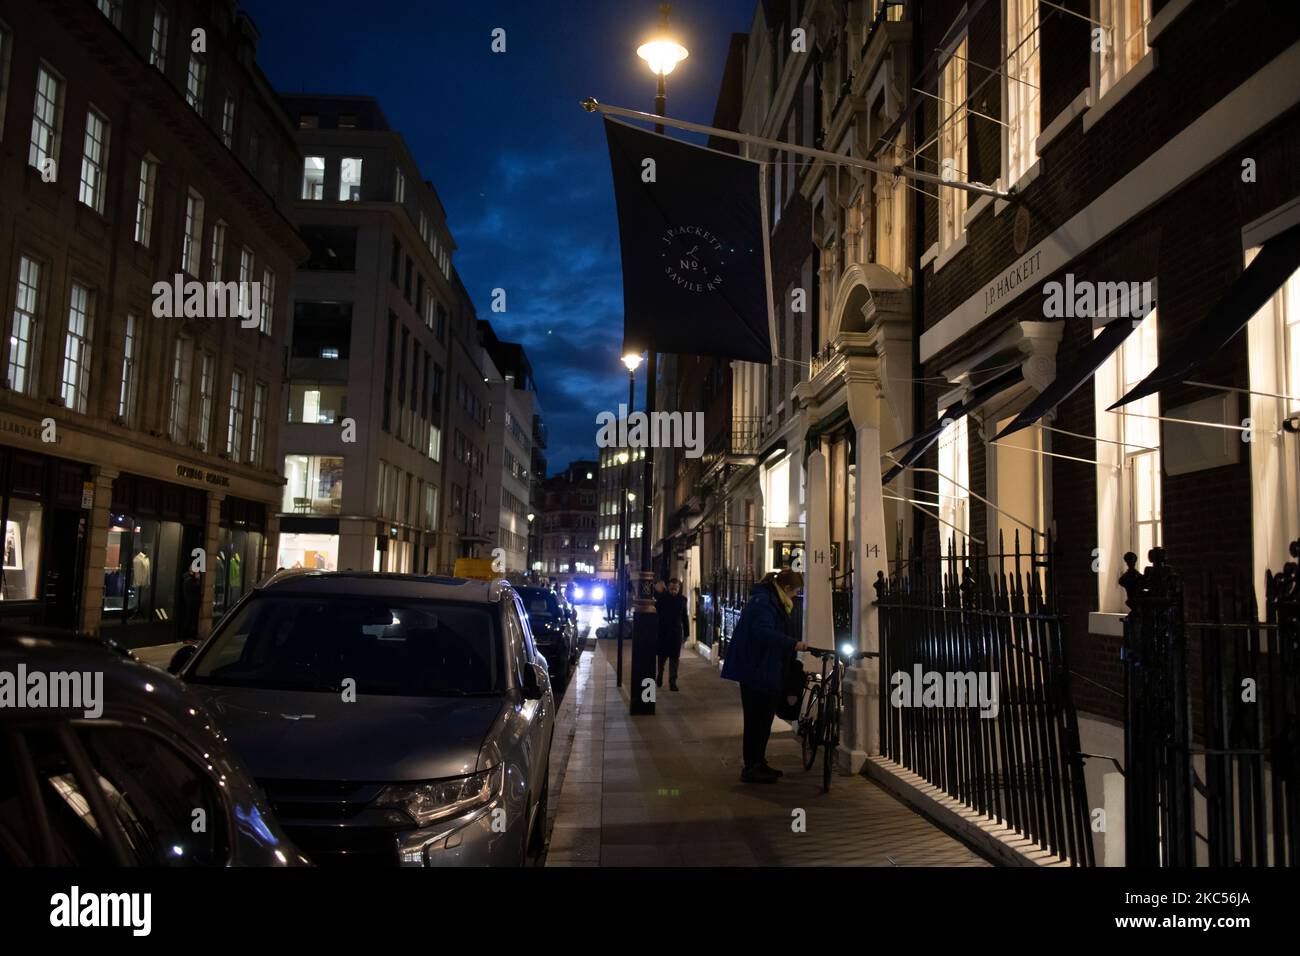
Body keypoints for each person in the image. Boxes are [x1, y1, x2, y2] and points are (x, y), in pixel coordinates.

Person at [720, 569, 806, 783]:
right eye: (795, 591)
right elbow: (763, 633)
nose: (796, 595)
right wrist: (791, 643)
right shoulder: (764, 603)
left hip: (761, 667)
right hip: (756, 668)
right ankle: (752, 767)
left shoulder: (769, 599)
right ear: (786, 588)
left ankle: (758, 762)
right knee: (757, 719)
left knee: (762, 719)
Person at [653, 578, 690, 691]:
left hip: (675, 633)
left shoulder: (683, 600)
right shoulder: (662, 599)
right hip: (663, 632)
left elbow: (685, 617)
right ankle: (659, 675)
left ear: (679, 589)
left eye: (676, 588)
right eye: (672, 588)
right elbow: (656, 614)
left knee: (674, 659)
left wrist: (686, 633)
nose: (674, 591)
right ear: (668, 588)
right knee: (661, 658)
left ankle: (672, 682)